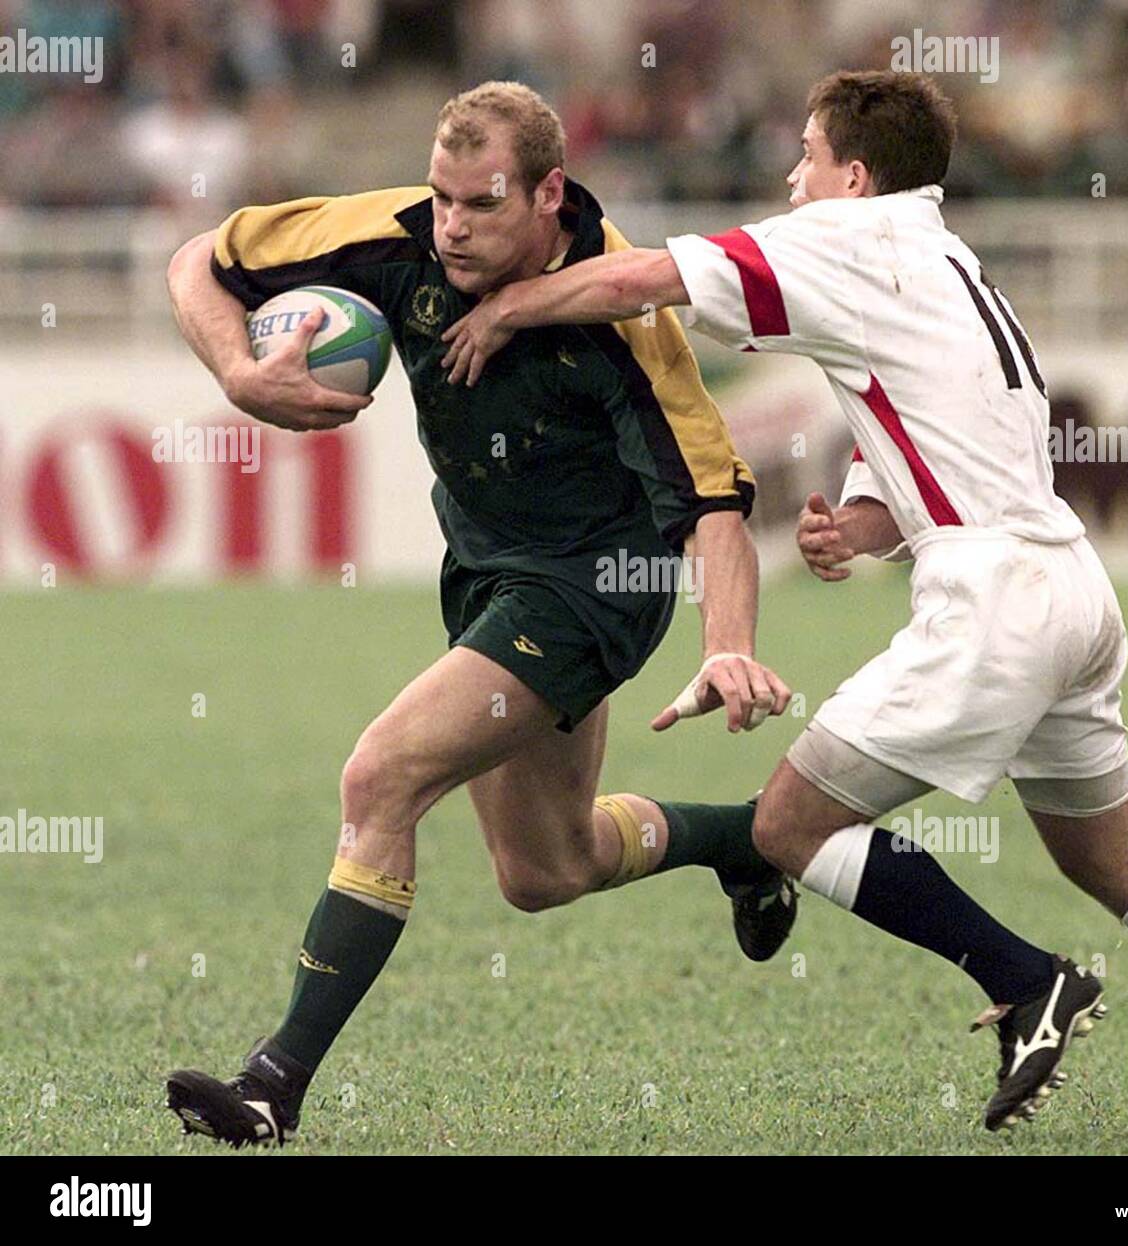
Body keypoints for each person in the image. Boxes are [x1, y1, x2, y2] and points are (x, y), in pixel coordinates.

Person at [440, 70, 1128, 1139]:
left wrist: (512, 302)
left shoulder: (847, 238)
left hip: (992, 600)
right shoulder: (946, 257)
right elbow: (960, 434)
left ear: (854, 172)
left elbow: (640, 280)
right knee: (1110, 857)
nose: (790, 176)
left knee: (788, 823)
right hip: (1068, 586)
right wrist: (864, 521)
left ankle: (1026, 980)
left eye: (804, 154)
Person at [161, 80, 797, 1148]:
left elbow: (717, 500)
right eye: (442, 197)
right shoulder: (403, 232)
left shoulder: (625, 312)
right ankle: (746, 842)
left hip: (598, 586)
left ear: (550, 194)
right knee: (546, 871)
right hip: (489, 569)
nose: (449, 225)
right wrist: (236, 369)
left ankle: (273, 1085)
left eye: (481, 204)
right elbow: (202, 261)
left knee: (380, 775)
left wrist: (726, 646)